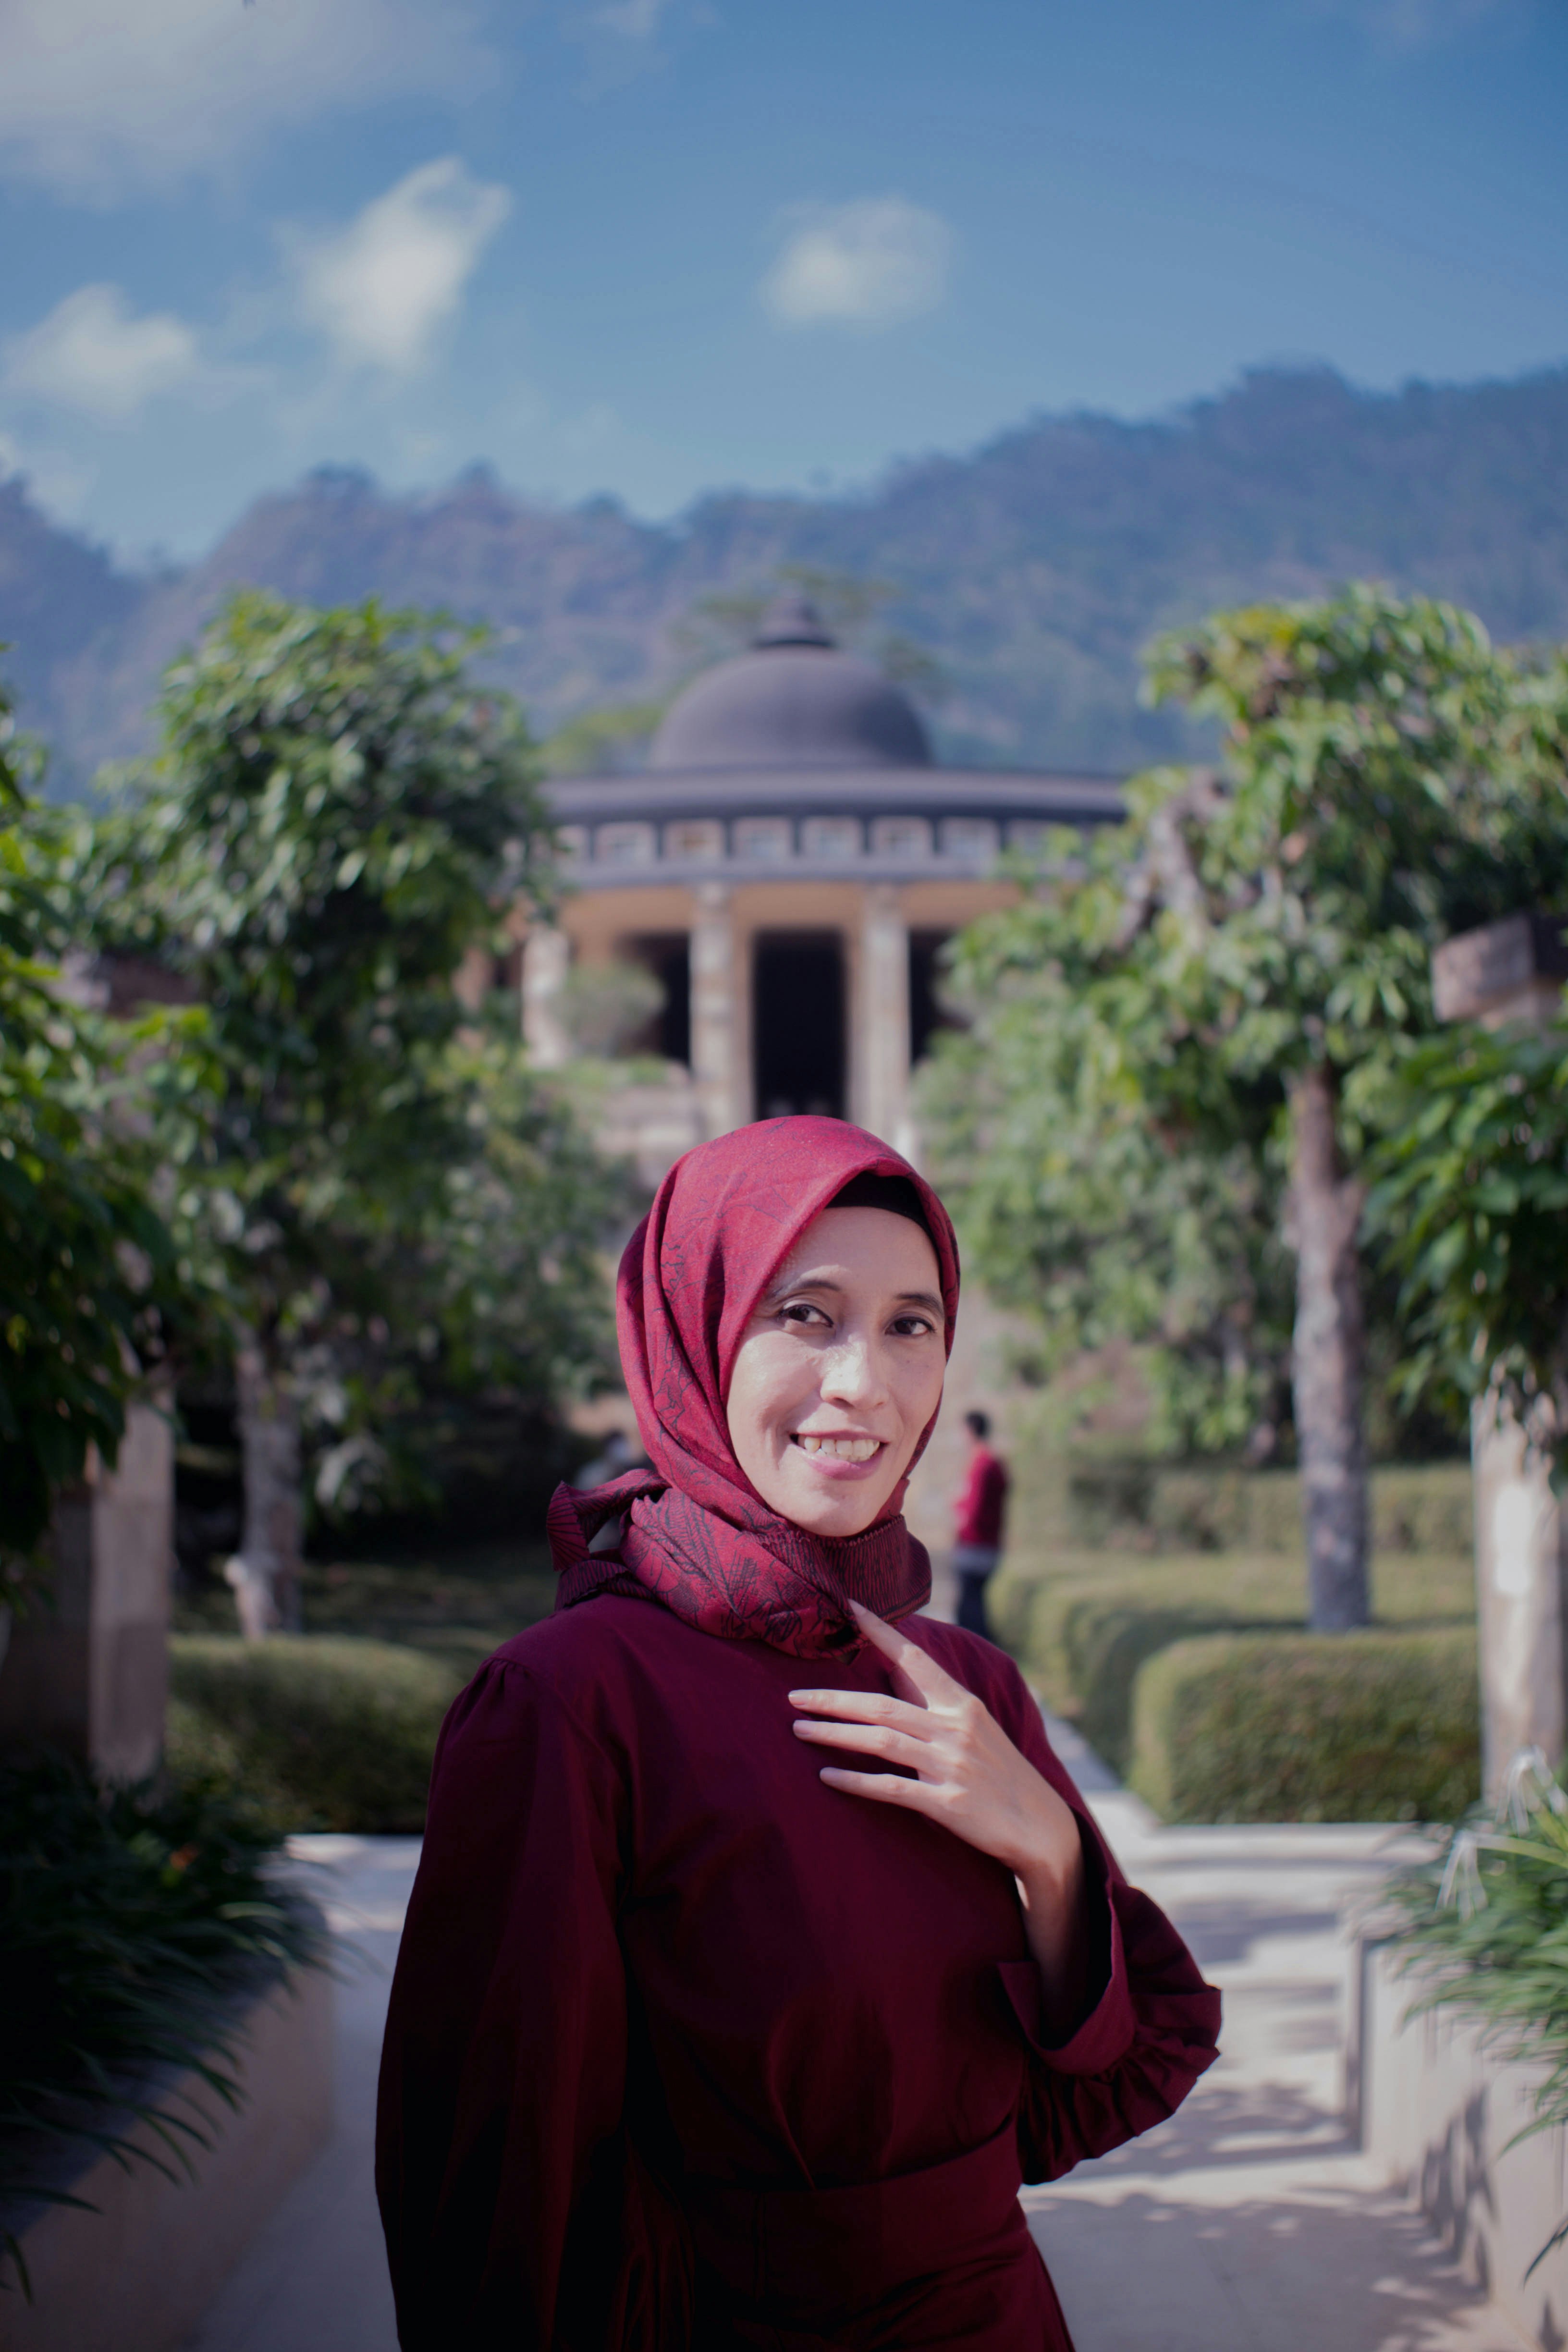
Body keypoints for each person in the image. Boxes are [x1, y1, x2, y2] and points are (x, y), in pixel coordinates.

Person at [376, 1117, 1220, 2351]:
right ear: (695, 1325)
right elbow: (495, 2203)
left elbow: (1103, 2085)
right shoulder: (570, 1702)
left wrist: (1050, 1853)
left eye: (909, 1324)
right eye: (806, 1314)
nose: (864, 1384)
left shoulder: (966, 1687)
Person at [953, 1408, 1009, 1641]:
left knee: (969, 1610)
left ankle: (979, 1655)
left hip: (975, 1544)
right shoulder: (993, 1462)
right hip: (987, 1544)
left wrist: (959, 1509)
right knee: (974, 1604)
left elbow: (973, 1509)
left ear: (970, 1431)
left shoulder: (982, 1464)